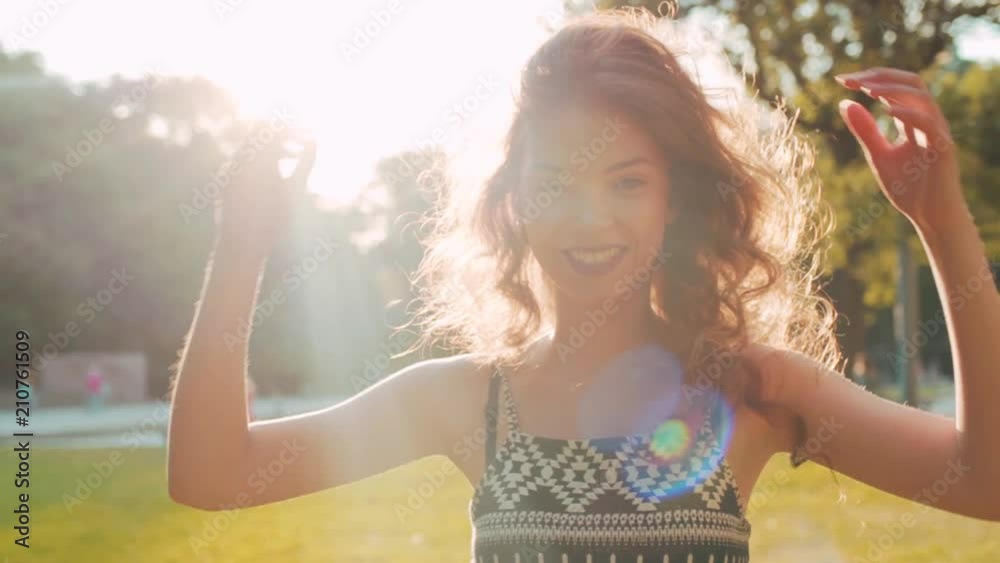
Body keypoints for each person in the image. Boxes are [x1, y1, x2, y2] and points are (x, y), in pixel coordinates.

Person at [166, 8, 1000, 562]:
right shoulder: (468, 402)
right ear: (514, 200)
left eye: (628, 181)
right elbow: (210, 473)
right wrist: (242, 247)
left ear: (676, 199)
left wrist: (940, 221)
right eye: (558, 181)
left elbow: (986, 482)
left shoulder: (752, 389)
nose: (589, 216)